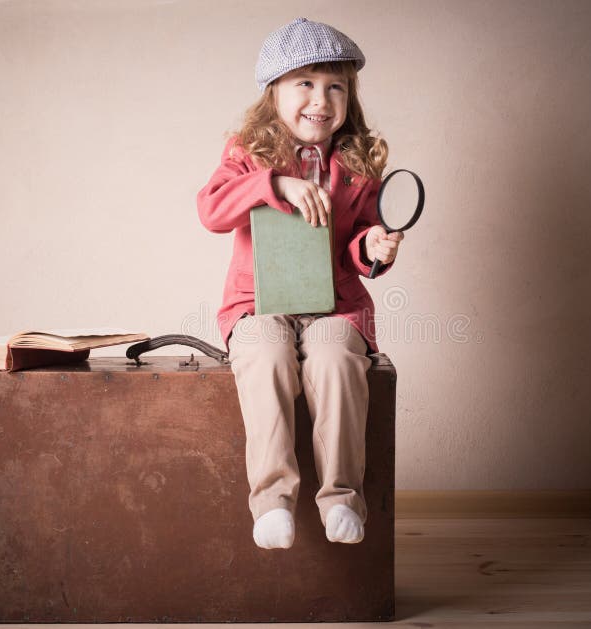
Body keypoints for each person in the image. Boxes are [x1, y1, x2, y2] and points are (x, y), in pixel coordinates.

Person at [196, 17, 404, 550]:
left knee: (336, 361)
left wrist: (372, 248)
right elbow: (213, 210)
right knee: (265, 355)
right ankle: (271, 503)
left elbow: (356, 241)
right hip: (258, 304)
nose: (321, 98)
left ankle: (341, 500)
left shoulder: (358, 163)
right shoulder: (247, 153)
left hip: (334, 306)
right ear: (274, 94)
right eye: (305, 83)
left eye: (336, 85)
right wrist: (273, 183)